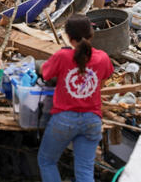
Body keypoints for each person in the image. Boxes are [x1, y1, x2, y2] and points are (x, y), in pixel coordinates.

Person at [37, 14, 113, 182]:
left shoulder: (62, 56)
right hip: (92, 120)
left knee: (47, 161)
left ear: (69, 37)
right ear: (91, 34)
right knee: (85, 171)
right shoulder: (103, 58)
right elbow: (102, 82)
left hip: (64, 119)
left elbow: (44, 72)